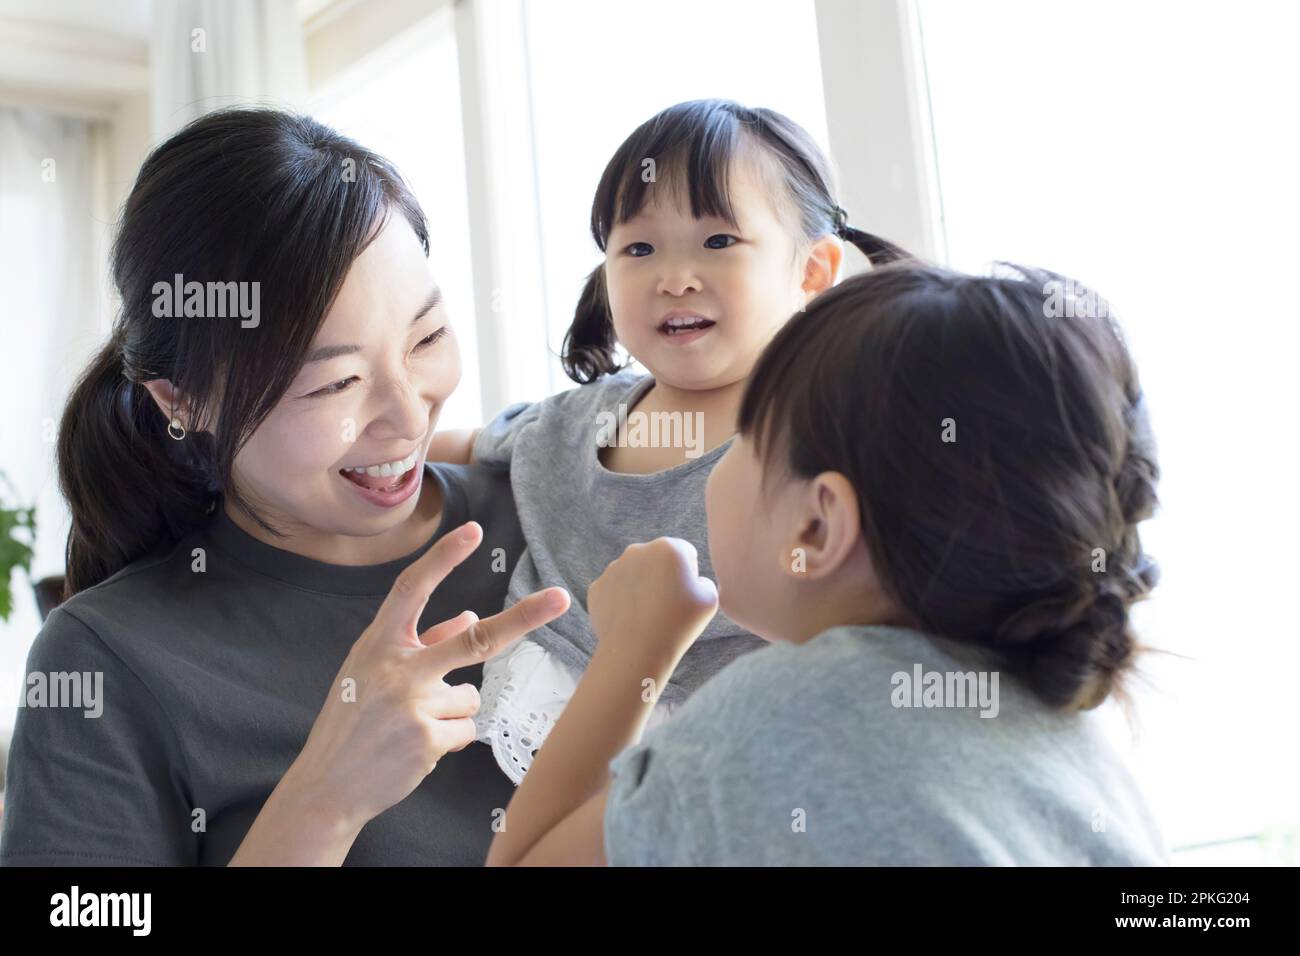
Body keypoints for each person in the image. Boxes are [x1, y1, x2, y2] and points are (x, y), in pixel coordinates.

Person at [0, 108, 568, 866]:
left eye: (427, 337)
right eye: (336, 383)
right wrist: (324, 800)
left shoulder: (554, 509)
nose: (406, 416)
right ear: (184, 400)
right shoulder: (106, 659)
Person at [487, 261, 1170, 865]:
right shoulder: (1080, 746)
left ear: (816, 526)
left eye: (745, 435)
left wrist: (634, 650)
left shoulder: (786, 712)